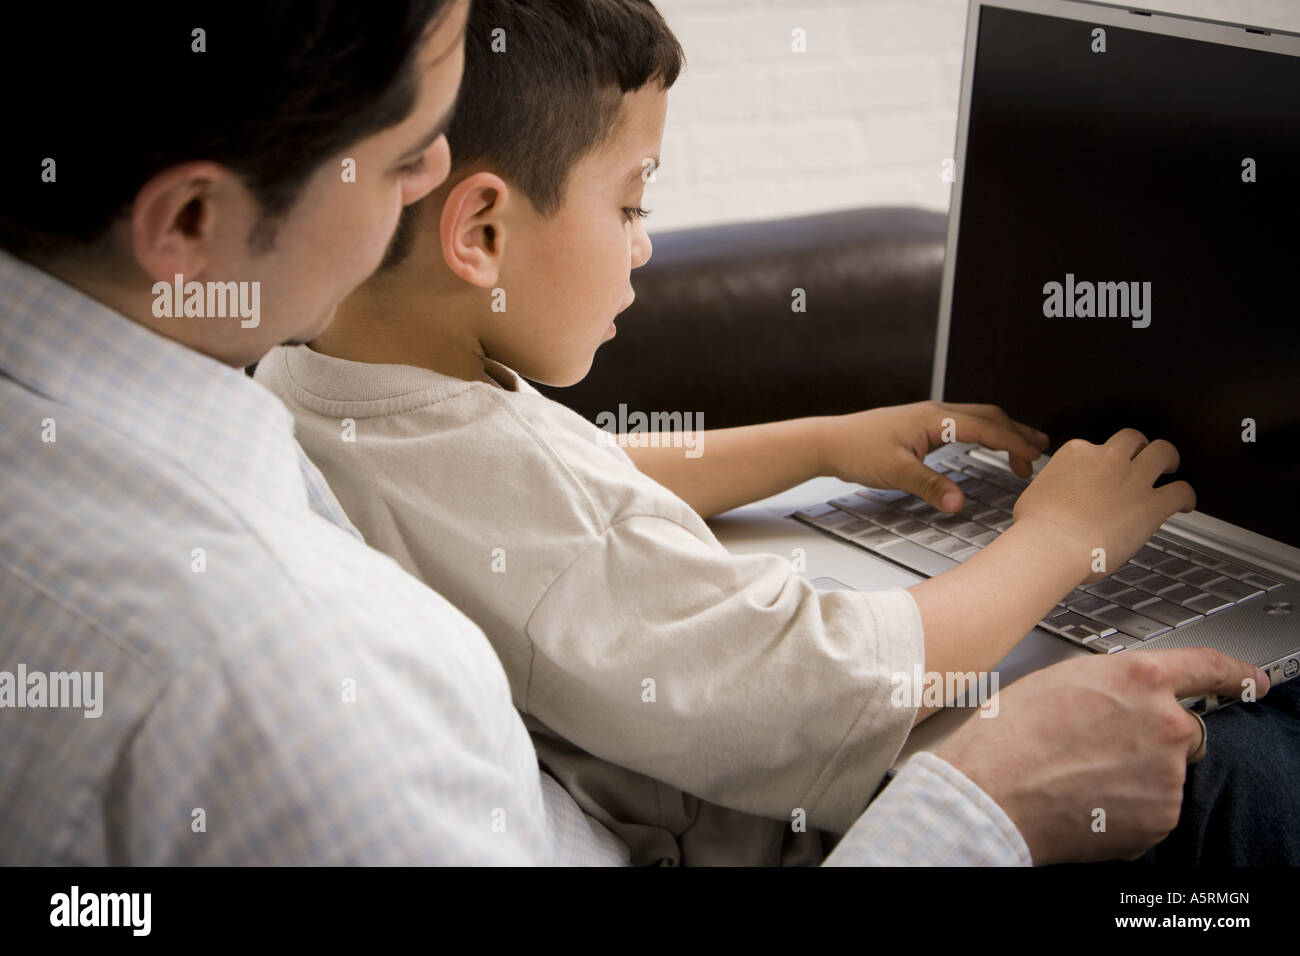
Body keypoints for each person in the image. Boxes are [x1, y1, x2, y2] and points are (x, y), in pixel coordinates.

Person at [254, 0, 1300, 866]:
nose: (645, 245)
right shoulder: (530, 515)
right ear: (481, 231)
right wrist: (1057, 539)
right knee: (1235, 753)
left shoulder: (322, 381)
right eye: (630, 202)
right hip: (800, 823)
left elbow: (578, 478)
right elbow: (833, 676)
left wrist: (819, 439)